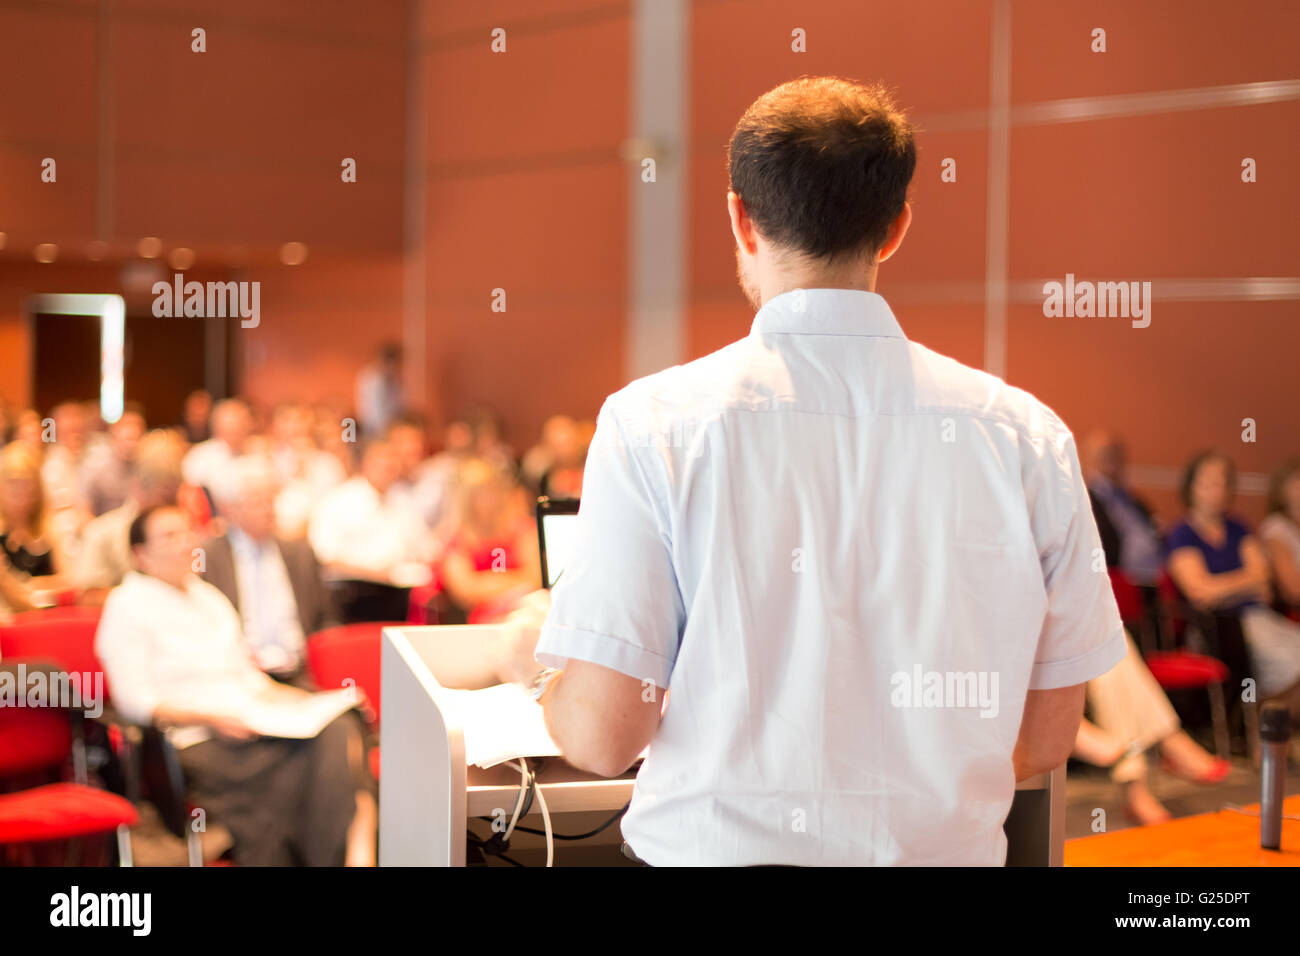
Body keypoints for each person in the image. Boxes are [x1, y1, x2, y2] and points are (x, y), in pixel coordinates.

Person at [504, 77, 1126, 866]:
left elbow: (602, 737)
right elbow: (1045, 735)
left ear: (740, 218)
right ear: (897, 226)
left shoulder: (652, 423)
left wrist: (535, 669)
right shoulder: (1026, 435)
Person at [94, 505, 376, 866]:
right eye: (170, 536)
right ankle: (354, 853)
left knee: (339, 726)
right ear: (141, 553)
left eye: (187, 532)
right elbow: (135, 703)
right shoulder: (127, 605)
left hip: (251, 724)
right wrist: (213, 719)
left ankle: (353, 854)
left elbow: (248, 677)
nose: (185, 543)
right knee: (323, 758)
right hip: (196, 739)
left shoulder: (208, 597)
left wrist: (307, 702)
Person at [1166, 451, 1300, 720]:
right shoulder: (1182, 533)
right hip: (1215, 628)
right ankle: (1253, 722)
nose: (1218, 490)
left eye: (1223, 482)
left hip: (1258, 619)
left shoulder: (1238, 527)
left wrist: (1221, 586)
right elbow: (1199, 593)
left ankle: (1259, 724)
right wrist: (1244, 582)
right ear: (1191, 487)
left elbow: (1263, 580)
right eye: (1209, 482)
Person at [202, 456, 337, 683]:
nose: (268, 509)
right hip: (239, 677)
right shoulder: (208, 558)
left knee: (349, 718)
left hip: (299, 672)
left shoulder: (300, 553)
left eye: (271, 500)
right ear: (230, 510)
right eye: (257, 502)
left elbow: (327, 618)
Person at [308, 439, 432, 621]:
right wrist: (378, 574)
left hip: (398, 592)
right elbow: (326, 558)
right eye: (381, 465)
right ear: (365, 464)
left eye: (392, 465)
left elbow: (425, 546)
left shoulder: (402, 500)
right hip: (352, 596)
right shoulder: (339, 501)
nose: (388, 471)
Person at [75, 428, 186, 599]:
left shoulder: (187, 534)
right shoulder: (101, 534)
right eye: (162, 497)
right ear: (138, 488)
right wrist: (150, 598)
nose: (167, 508)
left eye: (173, 499)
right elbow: (88, 597)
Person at [437, 457, 540, 623]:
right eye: (480, 494)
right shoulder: (457, 541)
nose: (489, 501)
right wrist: (513, 580)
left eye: (492, 492)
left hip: (525, 615)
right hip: (479, 626)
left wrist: (486, 581)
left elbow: (536, 577)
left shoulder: (522, 530)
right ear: (467, 500)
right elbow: (465, 591)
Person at [0, 441, 71, 597]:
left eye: (26, 484)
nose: (20, 493)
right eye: (13, 484)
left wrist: (28, 586)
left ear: (37, 487)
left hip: (45, 612)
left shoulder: (49, 528)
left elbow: (69, 580)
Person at [80, 403, 146, 517]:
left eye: (136, 438)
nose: (131, 445)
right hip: (102, 527)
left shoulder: (147, 467)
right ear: (113, 436)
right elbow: (83, 508)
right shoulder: (94, 466)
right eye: (128, 438)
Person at [182, 398, 253, 493]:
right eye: (230, 425)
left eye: (241, 424)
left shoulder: (257, 455)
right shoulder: (199, 457)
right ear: (216, 426)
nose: (236, 430)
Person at [1258, 459, 1300, 615]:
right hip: (1291, 616)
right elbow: (1293, 590)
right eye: (1296, 482)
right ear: (1281, 492)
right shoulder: (1276, 528)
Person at [355, 342, 403, 439]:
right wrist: (381, 432)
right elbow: (368, 411)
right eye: (390, 364)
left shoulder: (396, 381)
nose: (393, 368)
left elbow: (399, 407)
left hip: (392, 430)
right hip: (371, 431)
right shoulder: (368, 379)